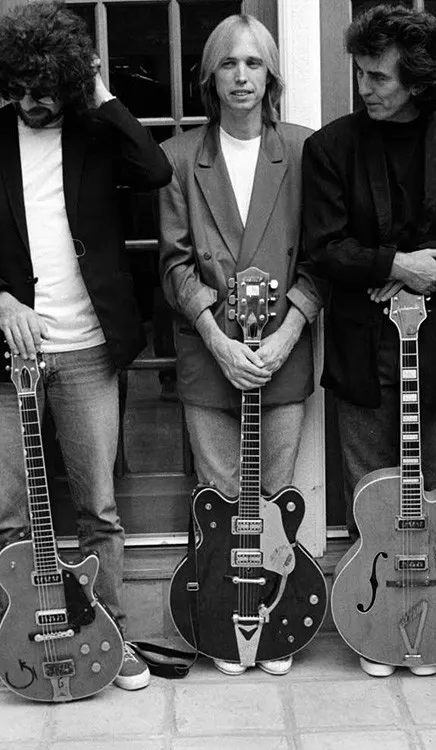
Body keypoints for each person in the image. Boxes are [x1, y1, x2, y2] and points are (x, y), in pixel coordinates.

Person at [0, 0, 172, 696]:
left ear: (67, 81)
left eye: (45, 89)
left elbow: (155, 171)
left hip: (88, 349)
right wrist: (2, 301)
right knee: (2, 513)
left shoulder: (98, 133)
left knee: (99, 508)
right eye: (18, 89)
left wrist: (98, 91)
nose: (30, 103)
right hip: (5, 356)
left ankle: (111, 633)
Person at [300, 3, 436, 679]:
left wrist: (430, 269)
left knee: (433, 488)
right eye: (360, 73)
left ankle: (434, 620)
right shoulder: (329, 147)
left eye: (380, 76)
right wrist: (395, 266)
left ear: (419, 78)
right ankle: (374, 623)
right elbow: (324, 247)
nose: (366, 87)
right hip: (363, 347)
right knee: (370, 488)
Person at [157, 14, 324, 677]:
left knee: (275, 494)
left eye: (254, 63)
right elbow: (173, 265)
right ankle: (227, 624)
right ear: (210, 76)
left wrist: (287, 333)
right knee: (220, 494)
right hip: (208, 356)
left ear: (272, 75)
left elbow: (320, 258)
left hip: (283, 354)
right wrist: (215, 335)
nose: (242, 76)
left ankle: (276, 618)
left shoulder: (308, 153)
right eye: (229, 63)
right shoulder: (176, 159)